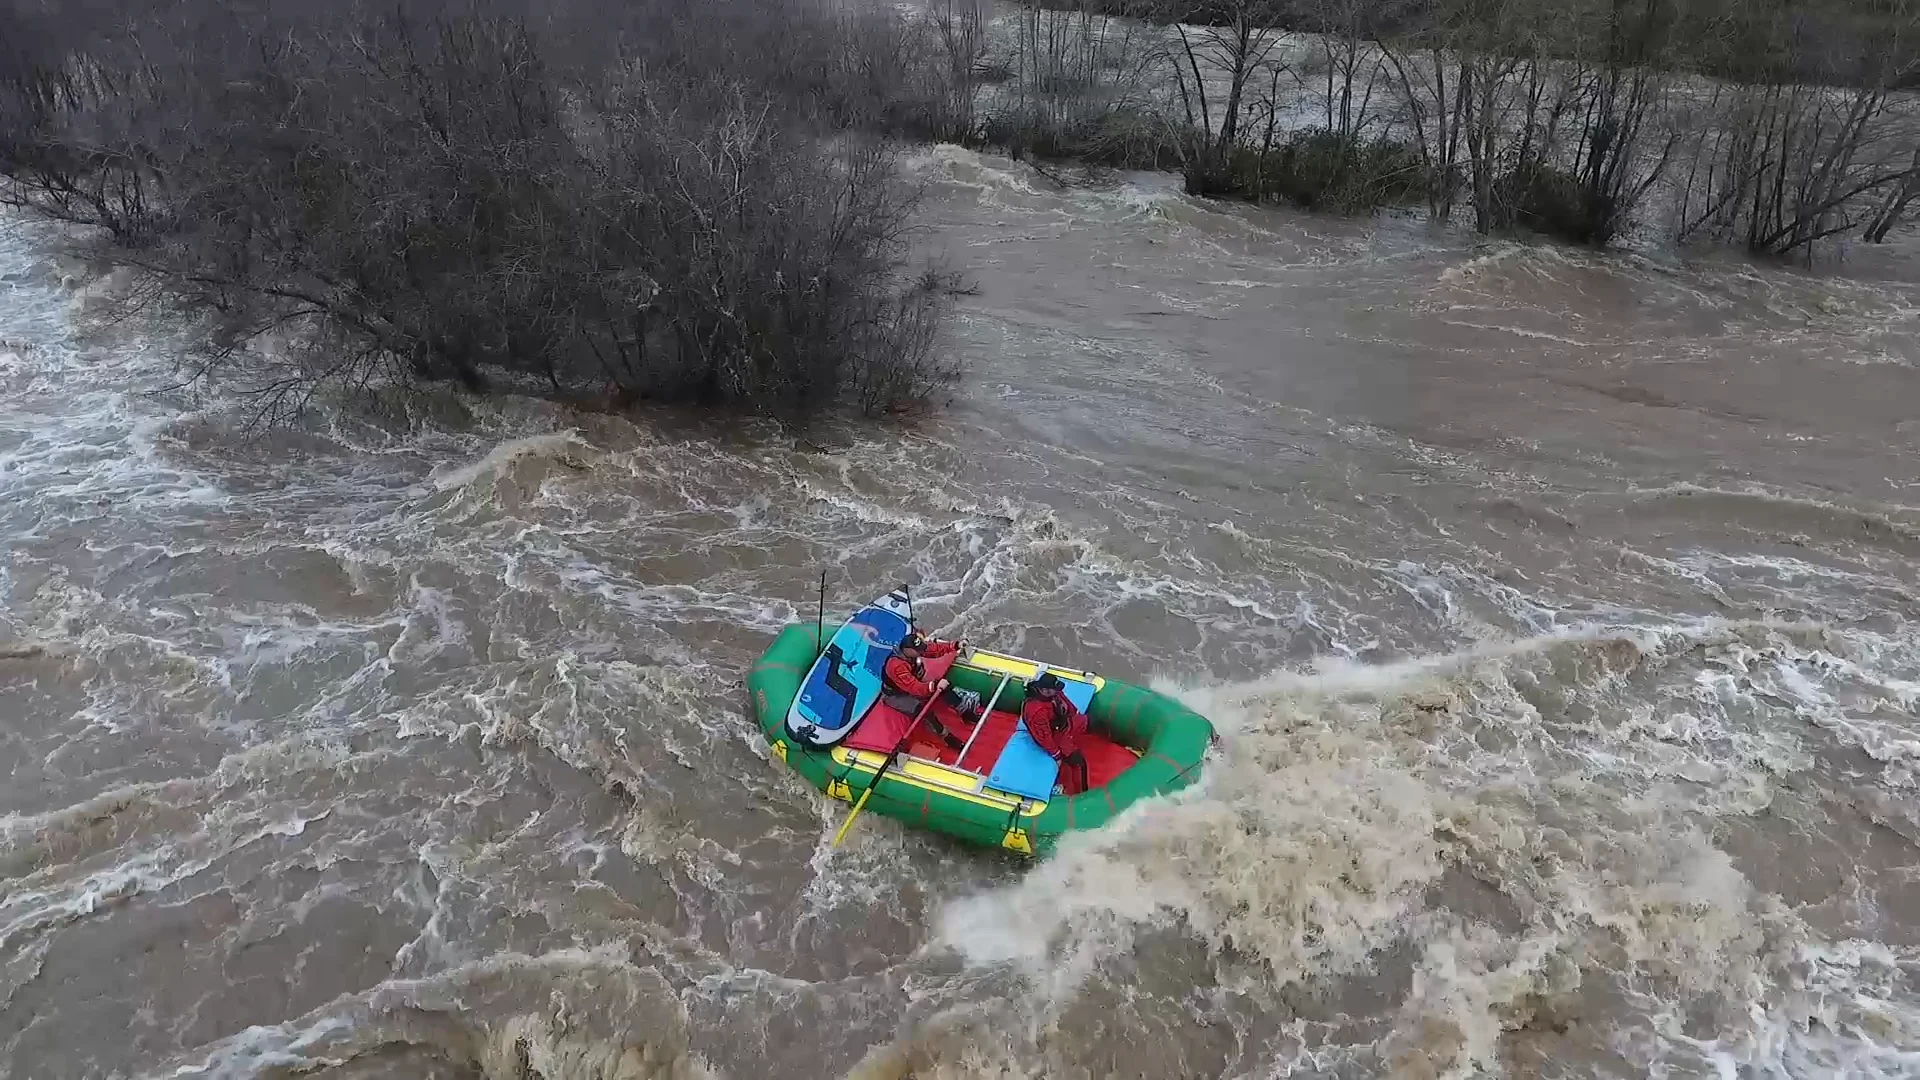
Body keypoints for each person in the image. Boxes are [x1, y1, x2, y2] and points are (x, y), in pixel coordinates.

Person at [882, 629, 981, 753]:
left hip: (915, 683)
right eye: (918, 651)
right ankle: (947, 737)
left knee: (946, 687)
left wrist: (955, 645)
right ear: (908, 650)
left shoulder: (915, 650)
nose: (922, 652)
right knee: (923, 710)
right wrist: (934, 686)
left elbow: (934, 649)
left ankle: (965, 713)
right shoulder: (896, 666)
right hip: (897, 695)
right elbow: (914, 688)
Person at [1022, 671, 1090, 795]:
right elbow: (1044, 736)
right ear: (1045, 690)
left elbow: (1066, 703)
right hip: (1056, 735)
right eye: (1054, 689)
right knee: (1079, 764)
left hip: (1065, 723)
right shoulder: (1036, 711)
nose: (1058, 691)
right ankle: (1082, 795)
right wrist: (1056, 754)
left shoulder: (1053, 693)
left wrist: (1075, 714)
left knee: (1091, 721)